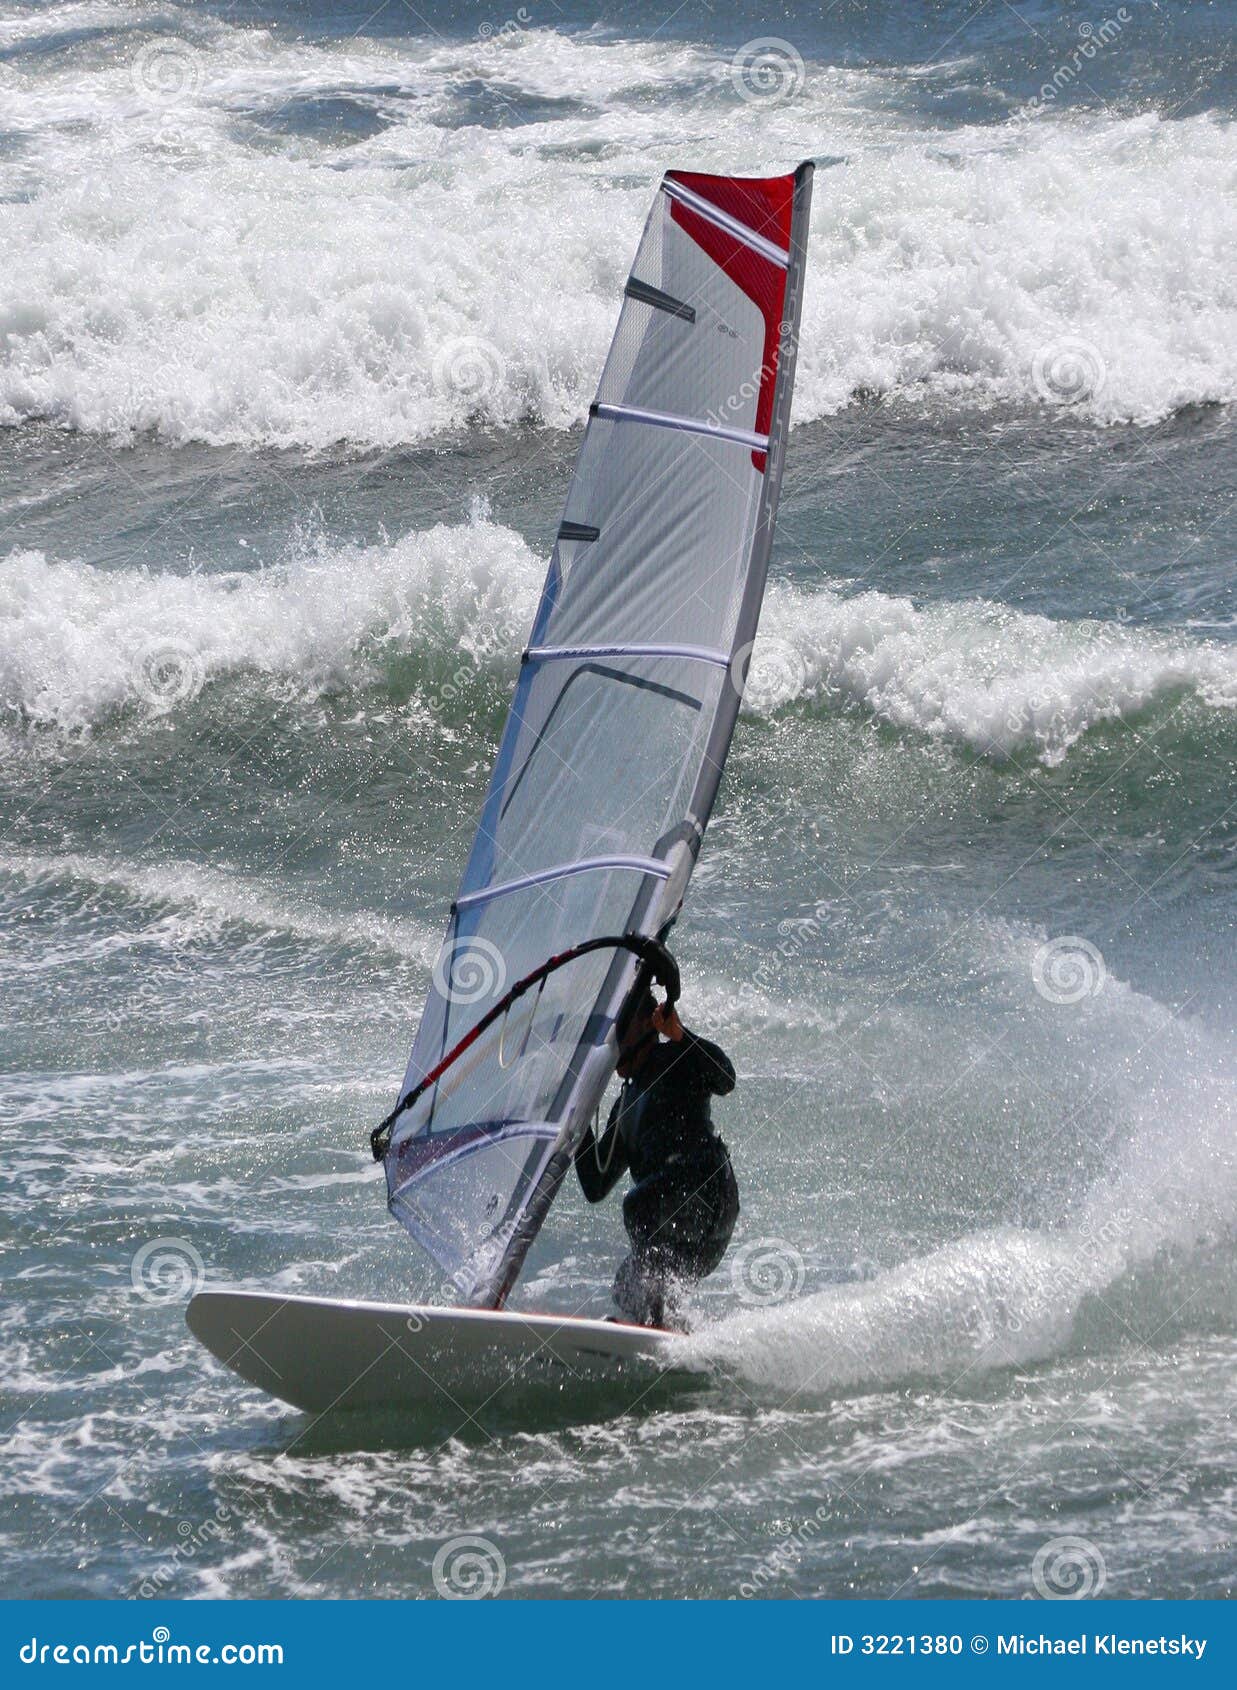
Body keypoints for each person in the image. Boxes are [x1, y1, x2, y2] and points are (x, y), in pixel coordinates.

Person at [575, 988, 739, 1329]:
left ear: (644, 1025)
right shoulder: (625, 1106)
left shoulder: (676, 1060)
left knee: (639, 1207)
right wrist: (574, 1118)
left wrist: (681, 1036)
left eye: (617, 1029)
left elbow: (725, 1078)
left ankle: (657, 1322)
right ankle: (671, 1332)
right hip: (680, 1235)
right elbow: (595, 1183)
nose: (610, 1043)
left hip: (709, 1196)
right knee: (626, 1284)